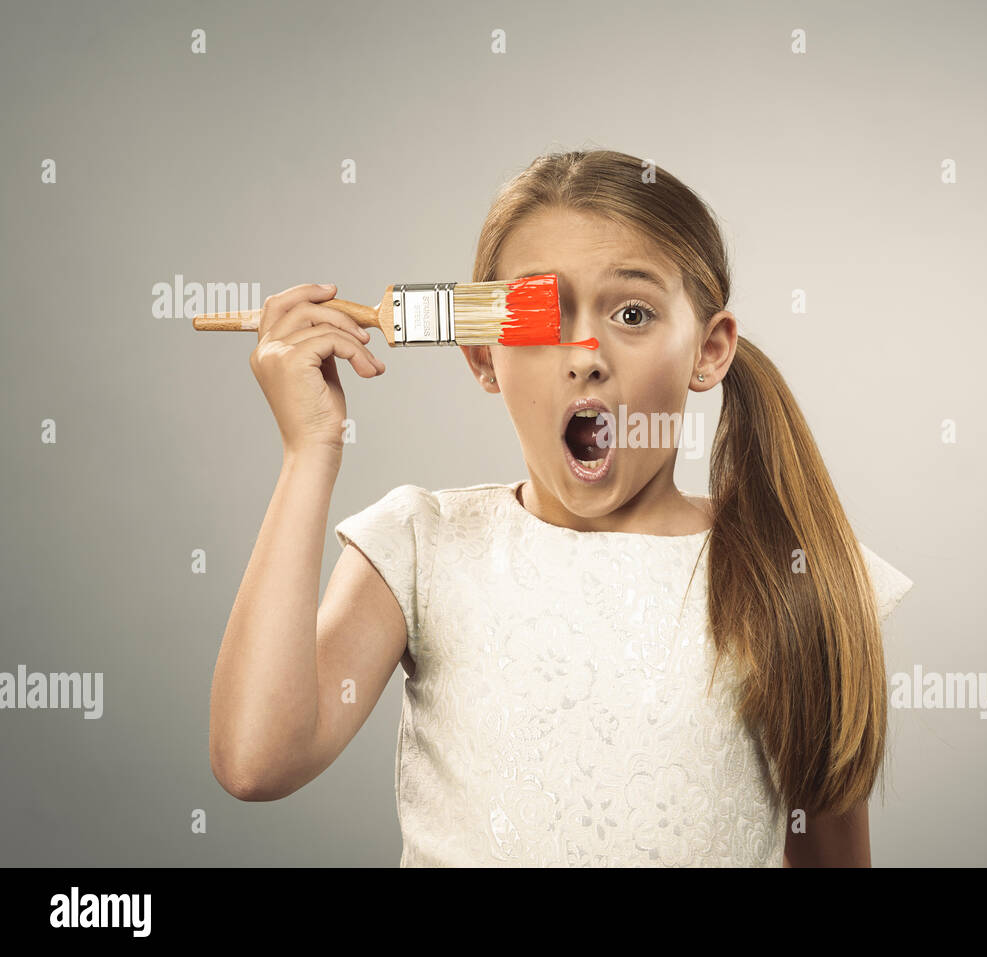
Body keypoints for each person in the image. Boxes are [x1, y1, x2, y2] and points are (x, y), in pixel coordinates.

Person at [209, 149, 914, 866]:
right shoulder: (422, 547)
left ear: (709, 350)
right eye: (542, 316)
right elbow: (255, 759)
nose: (585, 355)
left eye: (632, 312)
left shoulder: (790, 575)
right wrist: (309, 452)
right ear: (484, 357)